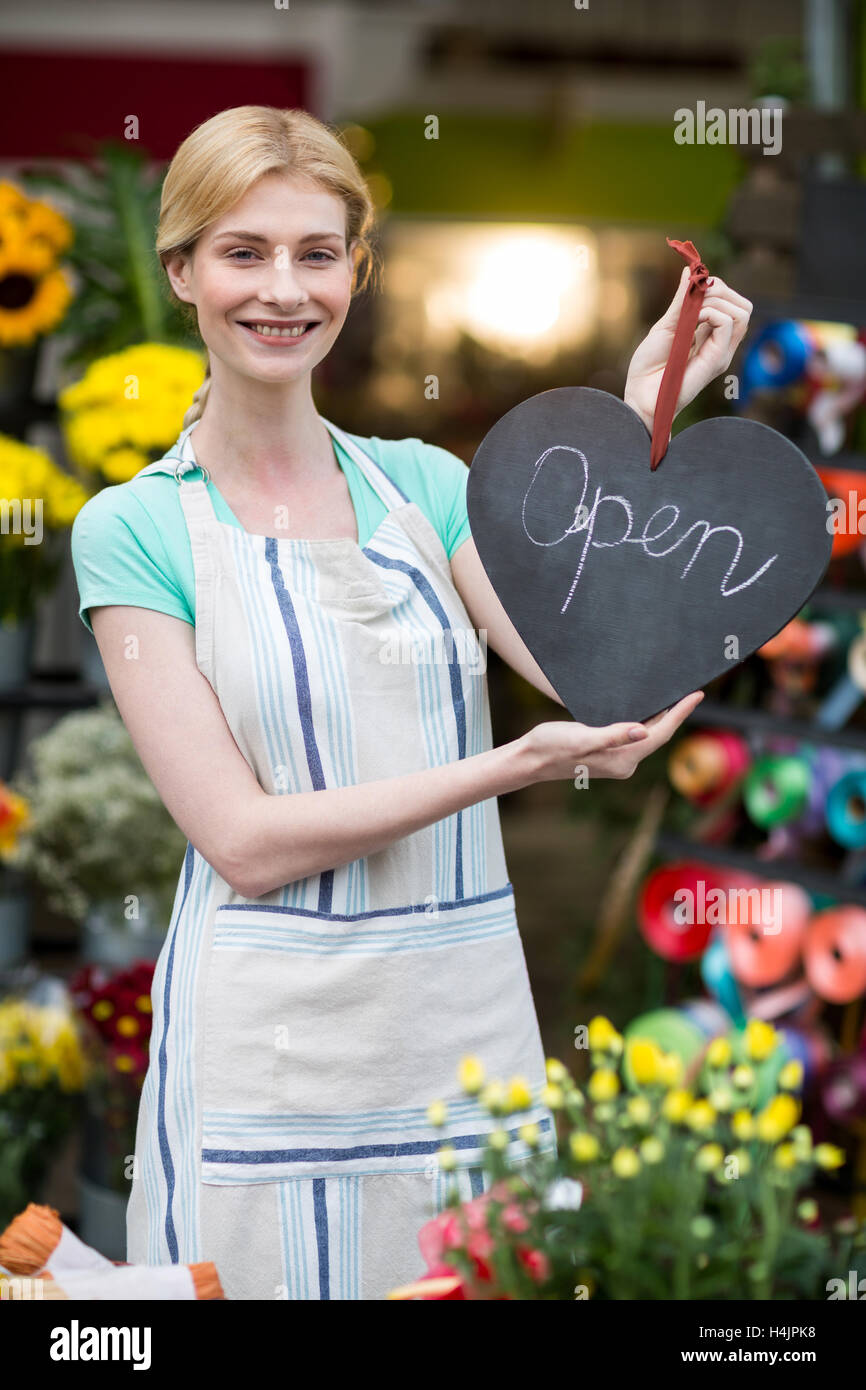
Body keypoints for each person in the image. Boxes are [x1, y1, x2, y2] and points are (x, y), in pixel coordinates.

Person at [71, 105, 752, 1300]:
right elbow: (240, 840)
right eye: (243, 252)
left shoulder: (427, 490)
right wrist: (508, 767)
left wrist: (654, 413)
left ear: (355, 271)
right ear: (181, 270)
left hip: (457, 1036)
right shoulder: (132, 530)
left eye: (315, 253)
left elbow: (602, 682)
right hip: (268, 1056)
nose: (282, 289)